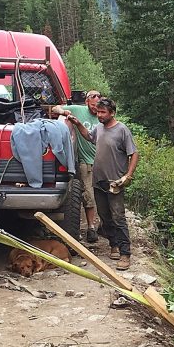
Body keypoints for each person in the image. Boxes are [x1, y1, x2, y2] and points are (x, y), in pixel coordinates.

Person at [64, 97, 137, 270]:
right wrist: (77, 123)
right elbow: (89, 136)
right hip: (98, 180)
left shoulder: (122, 130)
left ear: (112, 113)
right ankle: (114, 245)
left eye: (103, 112)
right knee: (105, 216)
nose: (100, 115)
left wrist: (128, 175)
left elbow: (133, 153)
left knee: (118, 217)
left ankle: (125, 254)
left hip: (115, 182)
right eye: (98, 112)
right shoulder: (99, 128)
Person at [53, 90, 102, 244]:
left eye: (98, 106)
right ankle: (91, 228)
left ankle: (104, 226)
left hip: (103, 161)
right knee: (88, 195)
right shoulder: (78, 110)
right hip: (86, 162)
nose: (96, 110)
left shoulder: (103, 115)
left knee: (104, 195)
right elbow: (54, 108)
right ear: (87, 102)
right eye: (94, 106)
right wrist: (63, 111)